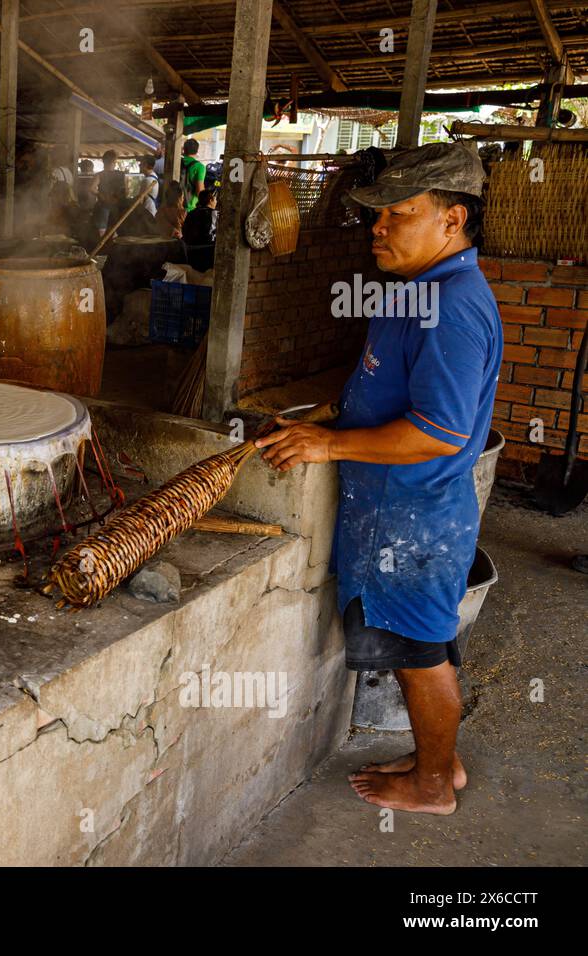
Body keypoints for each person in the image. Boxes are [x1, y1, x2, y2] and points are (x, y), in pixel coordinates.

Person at [255, 143, 501, 816]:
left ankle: (431, 786)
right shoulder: (422, 290)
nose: (378, 227)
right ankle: (437, 762)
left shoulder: (451, 305)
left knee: (420, 654)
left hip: (414, 515)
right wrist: (329, 413)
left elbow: (442, 431)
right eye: (378, 214)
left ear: (452, 221)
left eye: (399, 214)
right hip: (397, 509)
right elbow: (383, 380)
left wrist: (329, 447)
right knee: (415, 644)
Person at [182, 186, 217, 272]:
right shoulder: (215, 214)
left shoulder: (190, 213)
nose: (216, 201)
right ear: (211, 200)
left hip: (189, 254)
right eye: (215, 199)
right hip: (207, 255)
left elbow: (184, 232)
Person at [96, 150, 127, 232]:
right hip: (118, 206)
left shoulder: (99, 175)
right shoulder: (121, 174)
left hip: (104, 205)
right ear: (114, 161)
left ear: (104, 161)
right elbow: (125, 191)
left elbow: (91, 188)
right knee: (115, 229)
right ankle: (113, 243)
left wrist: (101, 195)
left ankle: (102, 244)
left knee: (102, 228)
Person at [181, 138, 207, 212]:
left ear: (184, 149)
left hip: (174, 206)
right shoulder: (200, 167)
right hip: (189, 209)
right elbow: (200, 191)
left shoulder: (177, 162)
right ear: (197, 151)